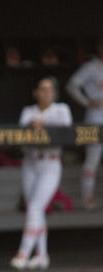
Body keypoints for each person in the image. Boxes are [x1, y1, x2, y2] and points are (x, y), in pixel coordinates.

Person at [11, 78, 72, 271]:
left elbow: (66, 127)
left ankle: (23, 254)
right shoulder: (28, 111)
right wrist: (32, 124)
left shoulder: (61, 109)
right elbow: (22, 130)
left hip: (50, 163)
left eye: (49, 90)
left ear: (54, 93)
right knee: (35, 210)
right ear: (35, 92)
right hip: (30, 162)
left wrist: (42, 124)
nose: (45, 93)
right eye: (42, 89)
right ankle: (42, 255)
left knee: (35, 208)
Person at [66, 38, 103, 209]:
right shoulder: (91, 66)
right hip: (95, 115)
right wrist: (87, 101)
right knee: (93, 158)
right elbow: (72, 85)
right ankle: (87, 198)